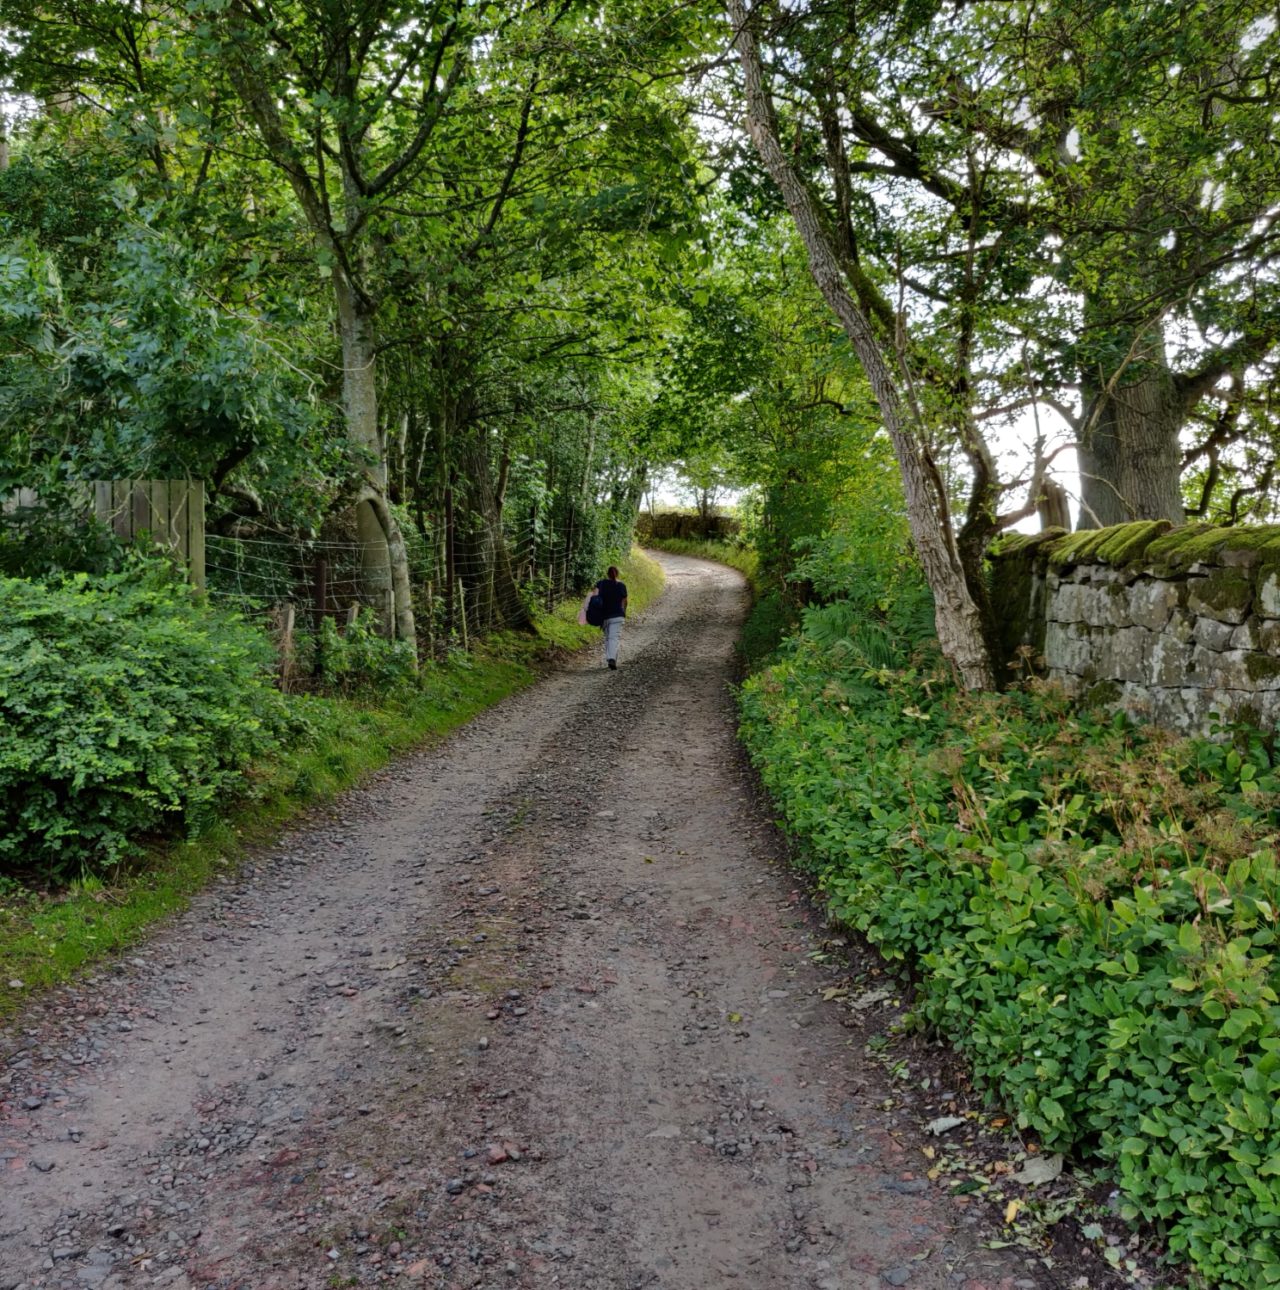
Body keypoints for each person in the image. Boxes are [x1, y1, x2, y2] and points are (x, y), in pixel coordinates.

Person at [596, 565, 628, 669]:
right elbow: (624, 601)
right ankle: (611, 659)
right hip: (618, 616)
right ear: (617, 574)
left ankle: (610, 658)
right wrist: (623, 611)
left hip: (605, 617)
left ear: (607, 574)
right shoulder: (621, 585)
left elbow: (594, 598)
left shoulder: (601, 584)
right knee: (613, 638)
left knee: (608, 638)